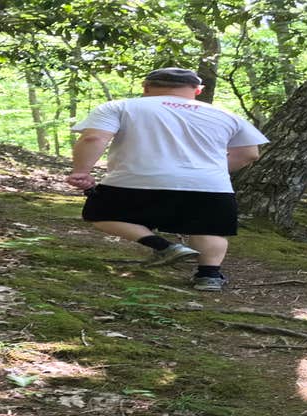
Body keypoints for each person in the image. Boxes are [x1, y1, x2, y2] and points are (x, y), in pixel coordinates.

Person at [65, 67, 268, 292]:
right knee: (209, 228)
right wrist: (211, 172)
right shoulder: (226, 115)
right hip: (210, 185)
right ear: (197, 90)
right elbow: (250, 154)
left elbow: (94, 137)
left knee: (100, 214)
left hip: (134, 181)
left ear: (146, 87)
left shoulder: (121, 107)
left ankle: (163, 246)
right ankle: (209, 276)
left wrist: (81, 171)